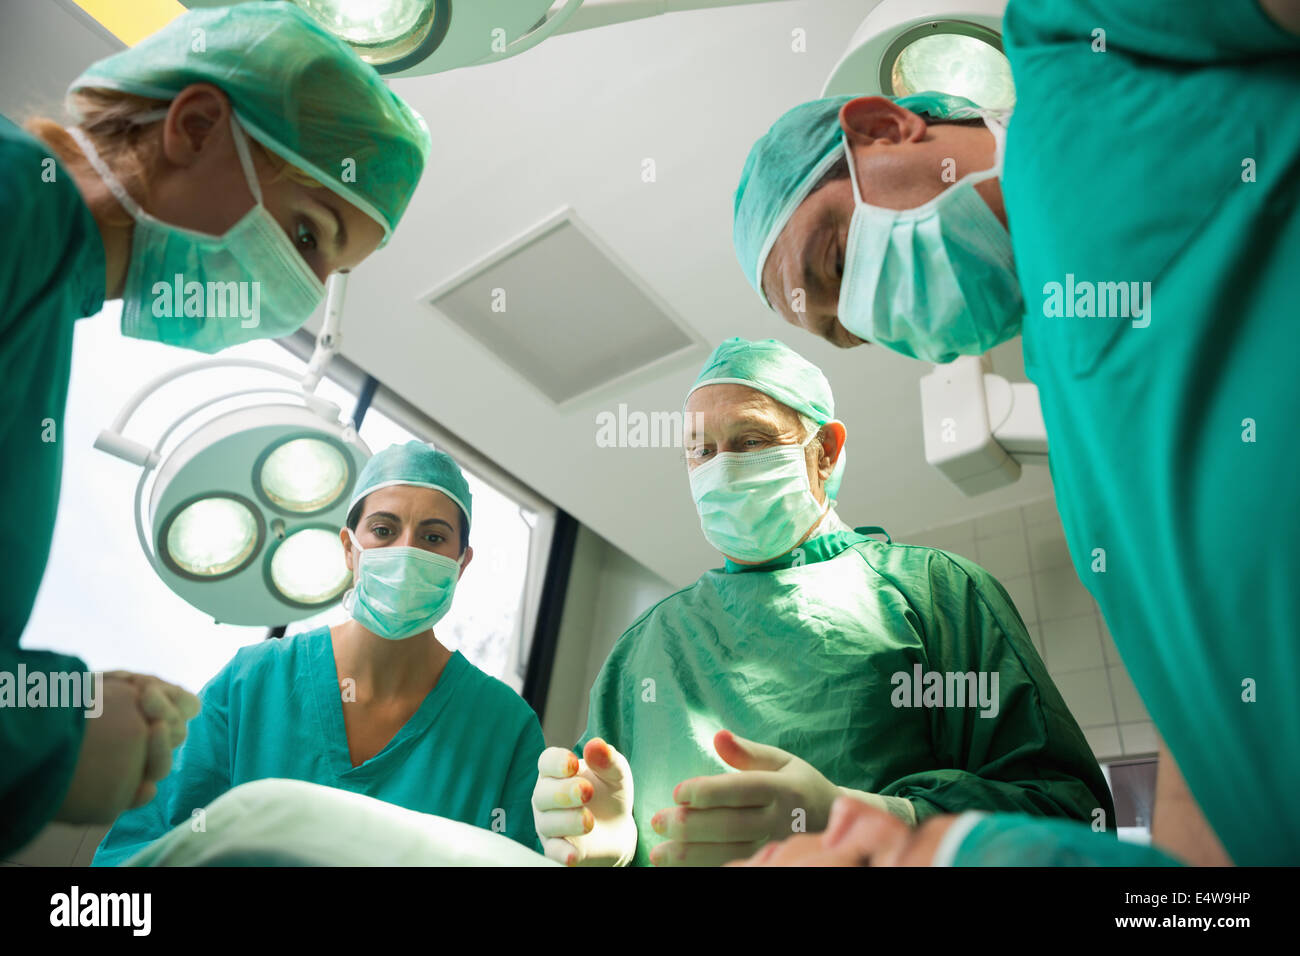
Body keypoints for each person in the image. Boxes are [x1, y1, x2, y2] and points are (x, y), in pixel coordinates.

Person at [730, 0, 1300, 865]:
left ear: (886, 126)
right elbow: (1205, 808)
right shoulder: (1086, 472)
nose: (870, 316)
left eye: (840, 263)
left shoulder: (1073, 38)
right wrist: (937, 853)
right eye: (849, 327)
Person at [0, 2, 430, 857]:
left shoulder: (45, 285)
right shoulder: (17, 203)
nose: (303, 294)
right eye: (308, 233)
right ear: (196, 127)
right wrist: (51, 743)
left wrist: (52, 705)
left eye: (329, 271)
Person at [532, 337, 1114, 867]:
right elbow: (590, 803)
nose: (721, 468)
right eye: (701, 451)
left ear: (827, 451)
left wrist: (874, 821)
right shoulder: (645, 649)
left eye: (752, 440)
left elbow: (1070, 817)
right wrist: (602, 845)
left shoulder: (936, 592)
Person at [93, 442, 546, 865]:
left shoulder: (504, 730)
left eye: (432, 538)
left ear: (460, 563)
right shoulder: (253, 682)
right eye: (384, 530)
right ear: (350, 549)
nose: (405, 551)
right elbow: (136, 854)